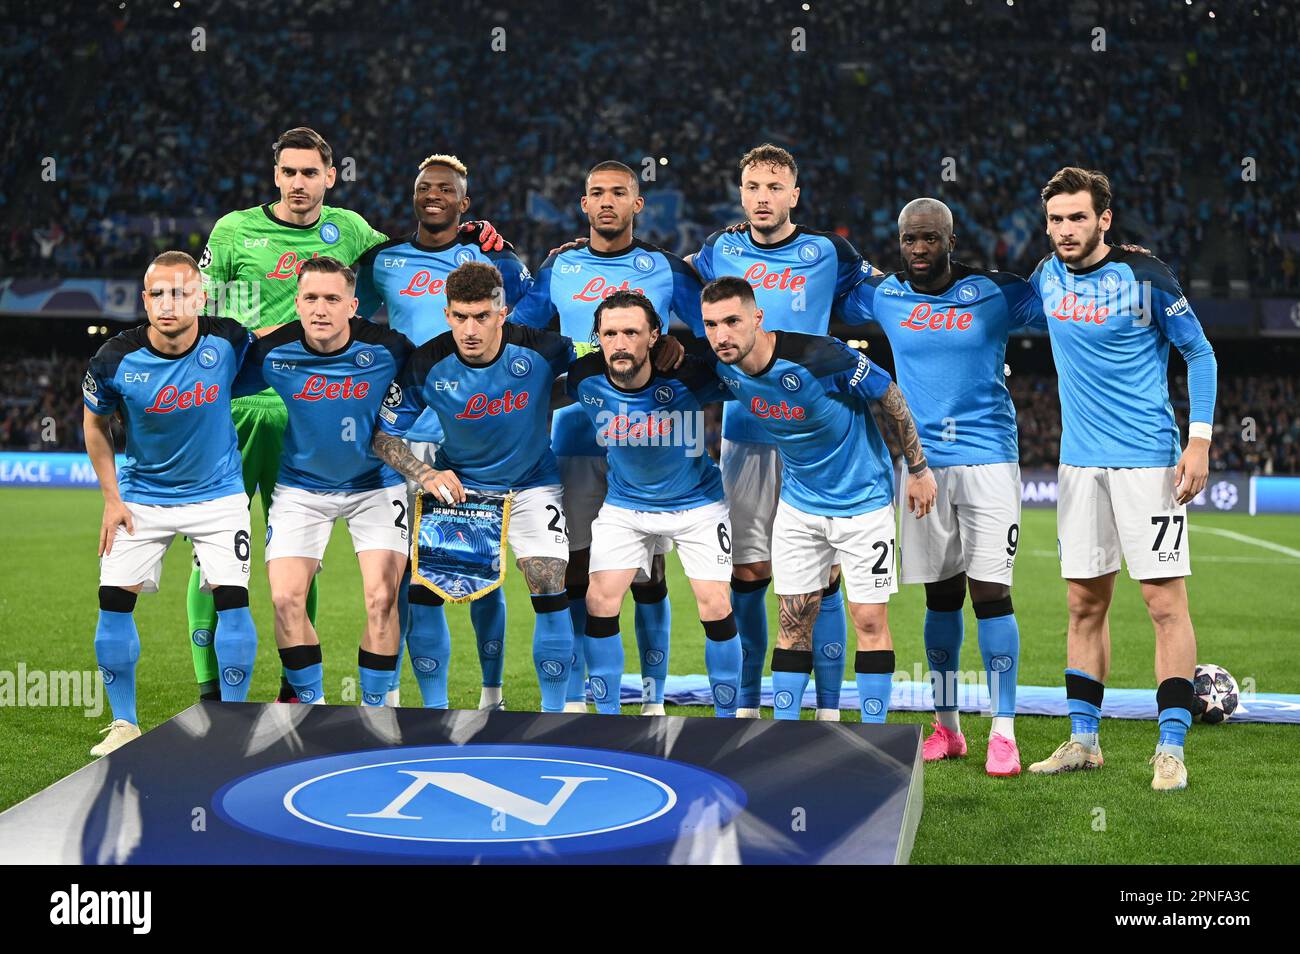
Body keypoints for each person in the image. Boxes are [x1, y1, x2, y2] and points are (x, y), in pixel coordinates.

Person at [1026, 167, 1216, 792]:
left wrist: (1199, 441)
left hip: (1147, 464)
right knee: (1084, 604)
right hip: (1079, 466)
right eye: (1056, 219)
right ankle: (1084, 740)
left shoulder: (1144, 276)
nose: (1064, 230)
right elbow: (993, 311)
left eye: (1077, 218)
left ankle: (1170, 747)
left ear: (1104, 219)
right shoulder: (1046, 277)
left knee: (1163, 602)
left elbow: (1200, 352)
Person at [841, 197, 1043, 775]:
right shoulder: (884, 295)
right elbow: (816, 277)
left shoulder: (994, 294)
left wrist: (1117, 257)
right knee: (940, 597)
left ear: (951, 241)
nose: (920, 249)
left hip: (989, 463)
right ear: (899, 242)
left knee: (991, 594)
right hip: (921, 465)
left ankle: (1003, 730)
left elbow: (1061, 287)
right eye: (910, 239)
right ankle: (948, 726)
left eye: (931, 238)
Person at [193, 127, 387, 703]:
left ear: (331, 176)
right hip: (236, 412)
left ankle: (294, 690)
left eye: (311, 173)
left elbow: (404, 265)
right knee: (215, 555)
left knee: (301, 557)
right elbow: (198, 310)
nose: (299, 184)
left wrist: (471, 238)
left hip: (314, 416)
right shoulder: (233, 230)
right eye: (289, 172)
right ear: (275, 175)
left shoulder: (350, 231)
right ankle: (211, 693)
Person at [689, 143, 876, 719]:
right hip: (746, 432)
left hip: (819, 439)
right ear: (740, 193)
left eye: (775, 187)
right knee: (748, 571)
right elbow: (669, 290)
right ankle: (747, 704)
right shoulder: (718, 249)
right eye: (753, 187)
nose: (763, 197)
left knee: (822, 577)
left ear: (794, 195)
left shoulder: (827, 251)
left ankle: (827, 709)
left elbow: (883, 295)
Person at [511, 160, 702, 714]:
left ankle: (653, 699)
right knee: (576, 567)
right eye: (597, 193)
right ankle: (577, 698)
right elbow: (520, 329)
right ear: (584, 204)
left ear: (637, 204)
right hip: (574, 430)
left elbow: (711, 328)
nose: (608, 201)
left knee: (648, 573)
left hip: (649, 437)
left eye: (620, 192)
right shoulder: (559, 267)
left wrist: (680, 348)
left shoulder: (665, 269)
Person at [701, 276, 936, 722]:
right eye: (711, 325)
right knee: (792, 622)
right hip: (799, 507)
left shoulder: (821, 356)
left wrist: (919, 469)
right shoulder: (721, 367)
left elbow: (889, 395)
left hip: (863, 504)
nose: (721, 335)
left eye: (732, 321)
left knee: (869, 619)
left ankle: (873, 735)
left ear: (758, 318)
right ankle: (786, 734)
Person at [353, 153, 530, 709]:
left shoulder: (488, 257)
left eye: (445, 189)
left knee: (480, 572)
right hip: (408, 437)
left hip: (478, 432)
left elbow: (529, 304)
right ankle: (429, 707)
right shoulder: (382, 260)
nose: (433, 195)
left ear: (464, 202)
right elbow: (354, 319)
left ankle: (492, 697)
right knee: (418, 580)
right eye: (424, 186)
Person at [374, 261, 577, 712]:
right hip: (461, 485)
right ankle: (435, 711)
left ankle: (554, 715)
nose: (470, 328)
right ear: (447, 314)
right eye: (460, 316)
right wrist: (425, 475)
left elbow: (594, 371)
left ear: (502, 312)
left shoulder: (544, 349)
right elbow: (384, 435)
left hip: (531, 484)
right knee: (424, 591)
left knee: (548, 582)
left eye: (482, 316)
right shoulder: (426, 363)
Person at [83, 251, 258, 754]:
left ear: (201, 297)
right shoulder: (115, 358)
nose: (168, 303)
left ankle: (232, 719)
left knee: (232, 599)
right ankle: (124, 724)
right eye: (158, 293)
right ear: (144, 299)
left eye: (181, 292)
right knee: (113, 600)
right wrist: (112, 498)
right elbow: (94, 424)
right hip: (142, 498)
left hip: (219, 495)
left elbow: (277, 348)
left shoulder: (228, 339)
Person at [234, 256, 413, 706]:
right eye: (311, 297)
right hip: (300, 489)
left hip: (376, 486)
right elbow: (211, 382)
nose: (320, 308)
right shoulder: (273, 353)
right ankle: (311, 707)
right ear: (296, 303)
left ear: (353, 305)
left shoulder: (389, 348)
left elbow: (440, 379)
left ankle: (374, 712)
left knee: (381, 601)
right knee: (285, 600)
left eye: (332, 298)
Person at [568, 290, 741, 716]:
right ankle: (608, 721)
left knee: (716, 603)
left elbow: (749, 377)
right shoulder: (583, 378)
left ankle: (726, 721)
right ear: (597, 338)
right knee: (599, 600)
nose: (621, 343)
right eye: (610, 333)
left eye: (632, 332)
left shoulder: (689, 376)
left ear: (655, 336)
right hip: (625, 506)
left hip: (697, 504)